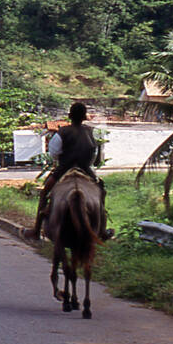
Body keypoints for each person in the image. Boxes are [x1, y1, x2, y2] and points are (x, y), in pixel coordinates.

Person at [31, 102, 113, 241]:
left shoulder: (62, 132)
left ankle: (36, 230)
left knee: (45, 192)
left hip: (64, 169)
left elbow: (54, 153)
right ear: (84, 117)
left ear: (70, 116)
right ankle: (102, 230)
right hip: (86, 169)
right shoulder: (90, 131)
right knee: (101, 191)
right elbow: (94, 152)